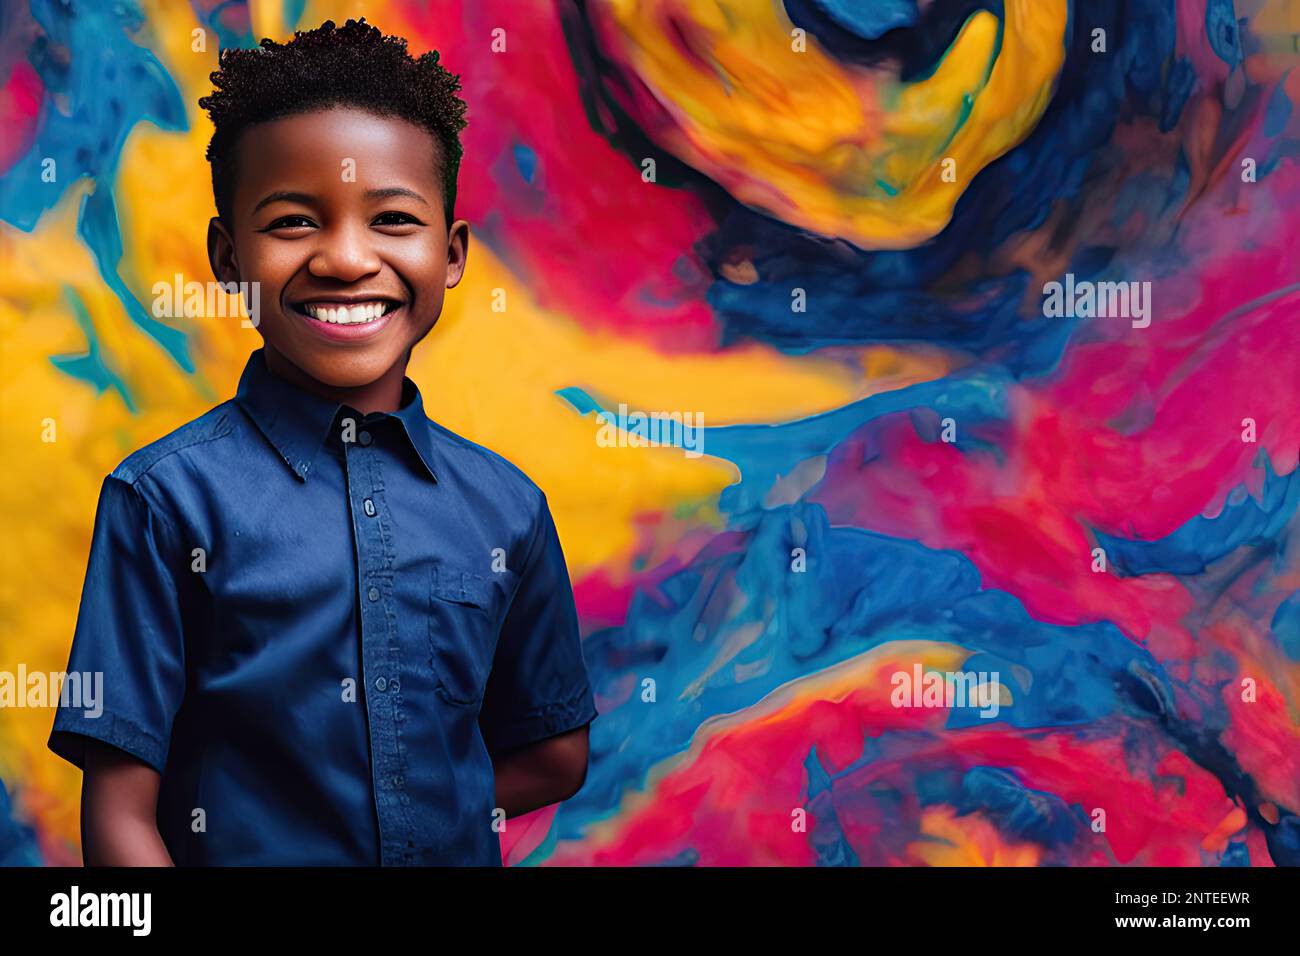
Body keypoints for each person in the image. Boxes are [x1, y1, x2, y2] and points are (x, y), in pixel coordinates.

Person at [47, 17, 598, 866]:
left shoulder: (508, 509)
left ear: (451, 255)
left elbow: (556, 754)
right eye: (296, 222)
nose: (346, 260)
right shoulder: (161, 503)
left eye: (393, 221)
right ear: (227, 258)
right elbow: (120, 816)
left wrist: (406, 808)